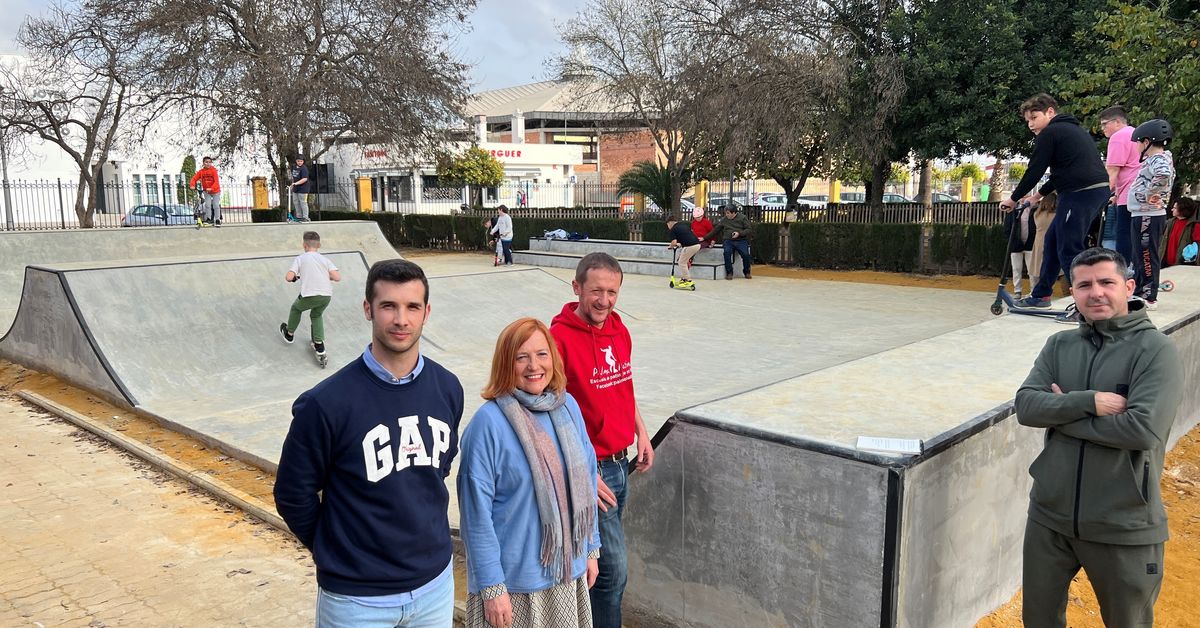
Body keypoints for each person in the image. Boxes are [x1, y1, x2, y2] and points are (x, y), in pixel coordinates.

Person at [274, 258, 464, 628]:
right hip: (356, 602)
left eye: (412, 307)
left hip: (434, 588)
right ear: (368, 309)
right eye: (388, 306)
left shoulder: (447, 388)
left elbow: (438, 470)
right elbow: (293, 495)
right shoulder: (326, 403)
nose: (401, 320)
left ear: (426, 312)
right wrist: (337, 551)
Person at [1014, 246, 1182, 628]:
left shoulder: (1156, 351)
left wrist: (1062, 415)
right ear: (1072, 292)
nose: (1096, 293)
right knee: (1038, 620)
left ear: (1129, 286)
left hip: (1123, 523)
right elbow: (1026, 406)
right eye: (1084, 285)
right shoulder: (1060, 345)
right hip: (1049, 515)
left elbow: (1141, 430)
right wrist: (1089, 402)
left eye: (1106, 282)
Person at [458, 317, 601, 628]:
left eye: (541, 354)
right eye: (521, 357)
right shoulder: (488, 424)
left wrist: (591, 548)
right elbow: (475, 517)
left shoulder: (567, 407)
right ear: (505, 365)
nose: (533, 365)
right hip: (512, 589)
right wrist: (493, 588)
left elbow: (588, 477)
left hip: (567, 575)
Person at [550, 252, 654, 628]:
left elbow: (622, 385)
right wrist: (581, 469)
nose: (604, 300)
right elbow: (550, 411)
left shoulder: (619, 328)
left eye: (612, 292)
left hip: (622, 463)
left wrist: (640, 431)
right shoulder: (558, 339)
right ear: (577, 287)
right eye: (596, 291)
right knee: (612, 573)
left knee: (599, 569)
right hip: (593, 471)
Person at [1000, 94, 1110, 321]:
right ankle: (1041, 295)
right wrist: (1036, 197)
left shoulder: (1050, 133)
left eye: (1034, 117)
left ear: (1050, 112)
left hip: (1080, 193)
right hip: (1090, 190)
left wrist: (1013, 198)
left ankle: (1085, 307)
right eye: (1027, 120)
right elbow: (1061, 172)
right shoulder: (1072, 131)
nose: (1030, 124)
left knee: (1069, 248)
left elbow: (1035, 169)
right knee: (1052, 241)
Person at [1127, 119, 1176, 310]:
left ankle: (1148, 296)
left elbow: (1162, 175)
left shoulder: (1158, 159)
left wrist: (1148, 194)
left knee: (1146, 255)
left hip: (1148, 214)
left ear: (1147, 142)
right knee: (1140, 254)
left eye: (1138, 141)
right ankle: (1141, 292)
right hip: (1143, 214)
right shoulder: (1156, 159)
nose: (1136, 146)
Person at [279, 231, 342, 359]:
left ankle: (289, 334)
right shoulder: (325, 259)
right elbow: (337, 277)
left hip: (309, 295)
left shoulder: (301, 258)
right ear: (319, 245)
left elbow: (288, 277)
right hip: (326, 296)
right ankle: (319, 345)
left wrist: (294, 277)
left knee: (296, 308)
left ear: (304, 245)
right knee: (316, 315)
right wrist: (325, 275)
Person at [1098, 106, 1140, 263]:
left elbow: (1113, 171)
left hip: (1127, 196)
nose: (1103, 129)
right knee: (1137, 237)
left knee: (1123, 236)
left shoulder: (1118, 137)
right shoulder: (1136, 134)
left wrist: (1101, 196)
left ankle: (1125, 272)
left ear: (1116, 122)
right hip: (1140, 193)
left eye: (1104, 124)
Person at [699, 204, 753, 280]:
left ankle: (747, 272)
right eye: (726, 213)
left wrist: (739, 233)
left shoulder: (742, 218)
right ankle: (729, 272)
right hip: (728, 240)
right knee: (727, 252)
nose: (726, 215)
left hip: (741, 240)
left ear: (734, 213)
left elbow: (748, 229)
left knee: (745, 254)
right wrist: (704, 238)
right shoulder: (724, 220)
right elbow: (716, 230)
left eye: (728, 213)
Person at [1004, 199, 1036, 299]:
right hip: (1015, 245)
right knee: (1016, 268)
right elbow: (1007, 227)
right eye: (1021, 198)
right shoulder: (1013, 211)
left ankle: (1034, 291)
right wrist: (1011, 241)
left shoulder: (1034, 211)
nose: (1023, 200)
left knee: (1032, 270)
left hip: (1030, 244)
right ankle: (1017, 290)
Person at [1160, 197, 1200, 268]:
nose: (1172, 209)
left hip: (1182, 267)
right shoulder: (1169, 223)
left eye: (1175, 208)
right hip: (1165, 264)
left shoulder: (1194, 226)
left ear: (1183, 210)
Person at [1029, 192, 1058, 289]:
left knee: (1037, 268)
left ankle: (1035, 290)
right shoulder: (1056, 215)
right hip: (1053, 242)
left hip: (1038, 242)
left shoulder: (1037, 214)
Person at [665, 215, 701, 286]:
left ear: (670, 223)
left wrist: (671, 246)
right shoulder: (682, 225)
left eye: (667, 225)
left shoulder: (673, 229)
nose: (668, 227)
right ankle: (684, 278)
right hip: (697, 245)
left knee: (682, 262)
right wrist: (679, 245)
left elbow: (674, 242)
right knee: (683, 261)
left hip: (690, 246)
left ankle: (688, 280)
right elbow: (685, 237)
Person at [188, 156, 222, 226]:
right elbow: (194, 178)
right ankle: (209, 219)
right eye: (206, 162)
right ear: (203, 163)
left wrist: (211, 188)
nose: (208, 164)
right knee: (207, 205)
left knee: (215, 205)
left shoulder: (213, 171)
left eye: (209, 162)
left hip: (215, 191)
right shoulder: (201, 172)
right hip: (207, 191)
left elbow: (216, 182)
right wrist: (192, 185)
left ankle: (217, 219)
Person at [291, 155, 312, 222]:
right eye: (298, 161)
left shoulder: (304, 168)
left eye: (301, 161)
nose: (299, 162)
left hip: (303, 189)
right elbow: (294, 177)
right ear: (296, 161)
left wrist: (296, 183)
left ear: (303, 161)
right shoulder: (294, 167)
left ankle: (305, 217)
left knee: (303, 202)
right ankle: (299, 217)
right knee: (296, 202)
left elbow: (305, 179)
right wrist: (292, 184)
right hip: (295, 188)